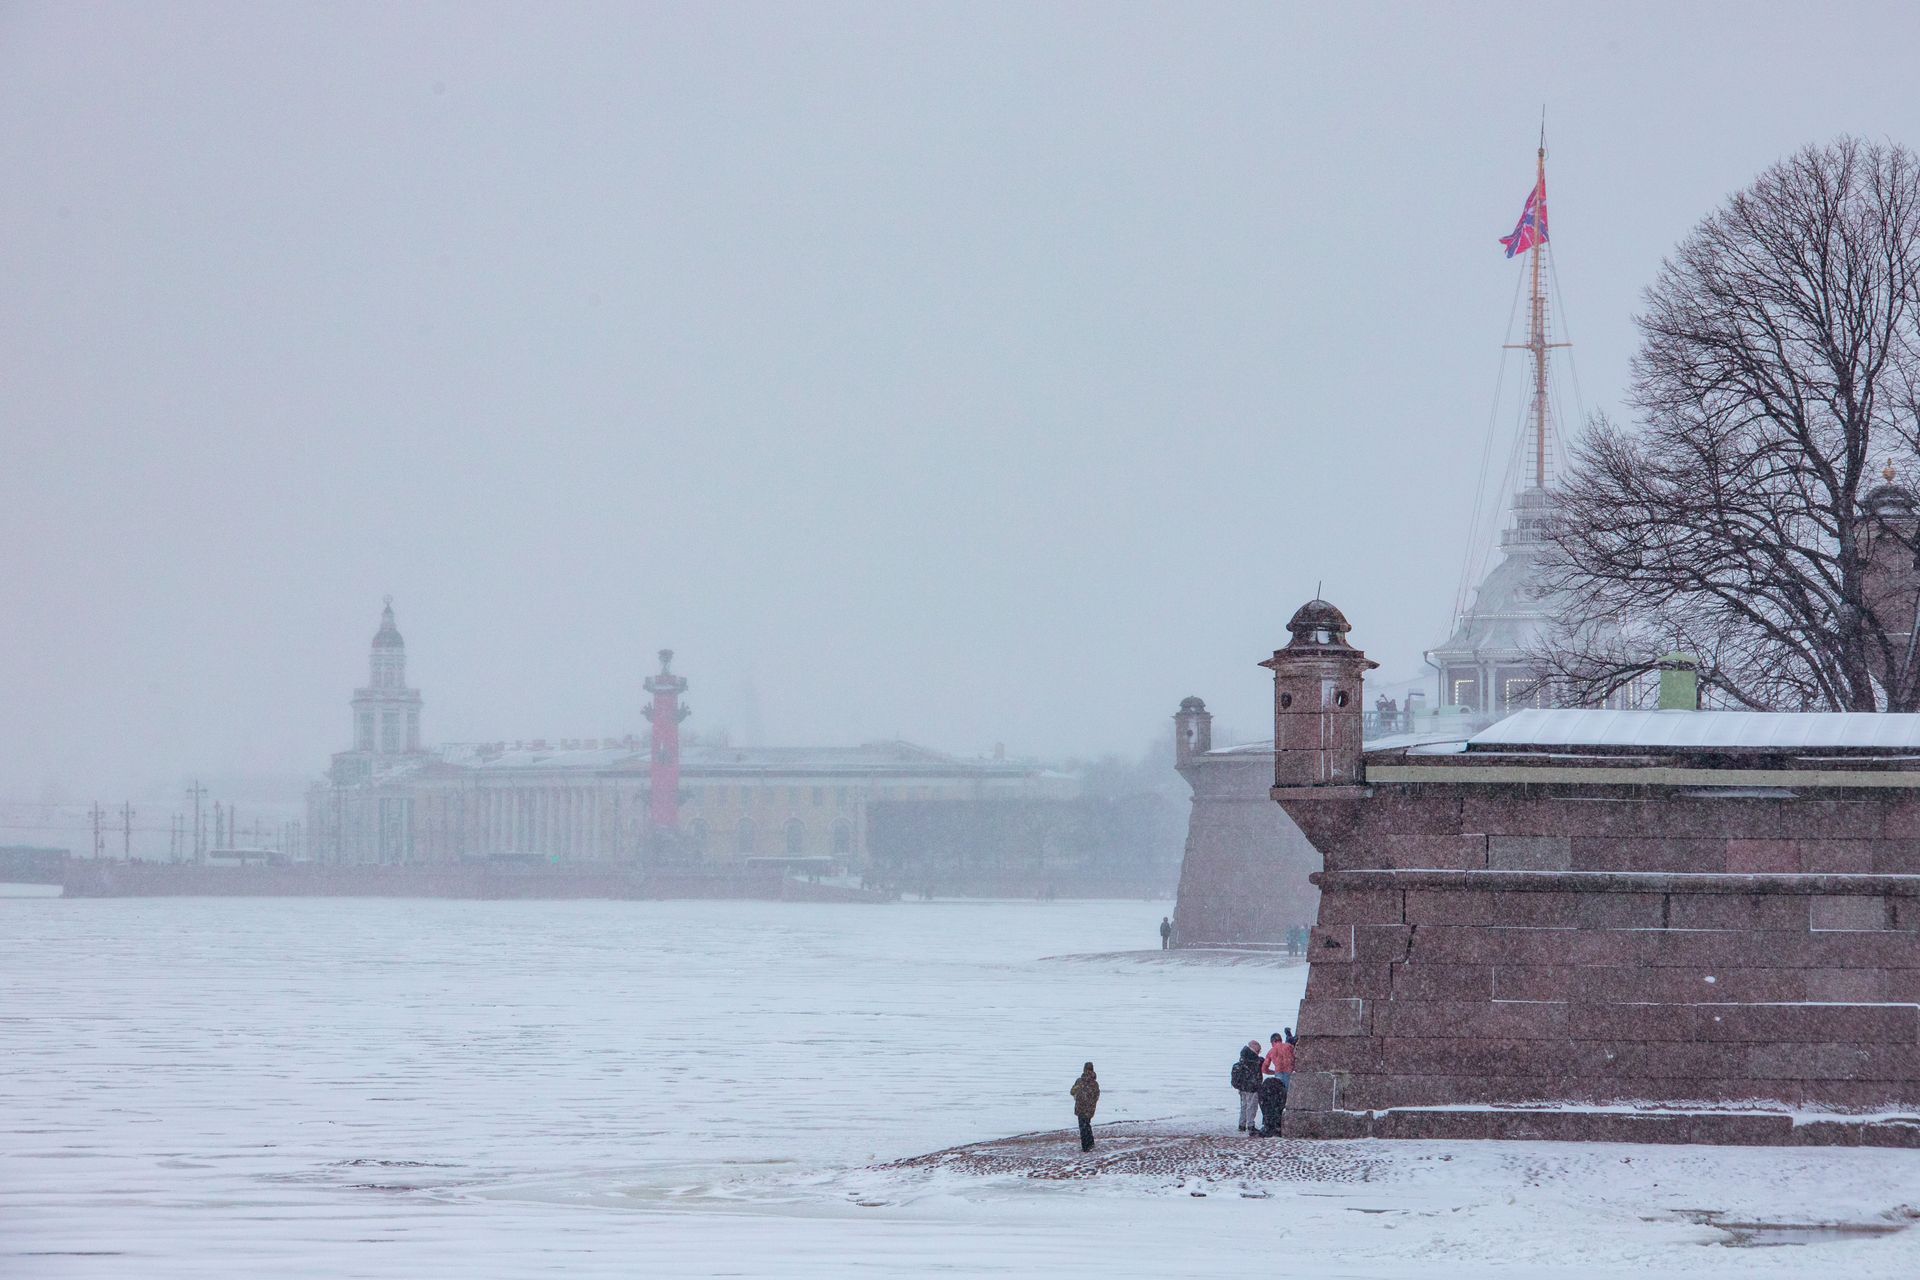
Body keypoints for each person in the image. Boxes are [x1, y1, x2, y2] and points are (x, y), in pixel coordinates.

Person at [1230, 1040, 1262, 1133]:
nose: (1259, 1053)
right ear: (1254, 1048)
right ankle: (1251, 1125)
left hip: (1242, 1086)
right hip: (1251, 1086)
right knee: (1252, 1106)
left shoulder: (1243, 1055)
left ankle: (1242, 1125)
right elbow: (1256, 1068)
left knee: (1244, 1106)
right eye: (1258, 1051)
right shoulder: (1253, 1058)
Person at [1069, 1062, 1100, 1151]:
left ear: (1084, 1069)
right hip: (1090, 1108)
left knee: (1083, 1126)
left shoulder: (1079, 1081)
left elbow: (1072, 1092)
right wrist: (1092, 1104)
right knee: (1087, 1124)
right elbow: (1097, 1096)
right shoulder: (1095, 1083)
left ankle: (1086, 1147)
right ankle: (1090, 1143)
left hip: (1081, 1107)